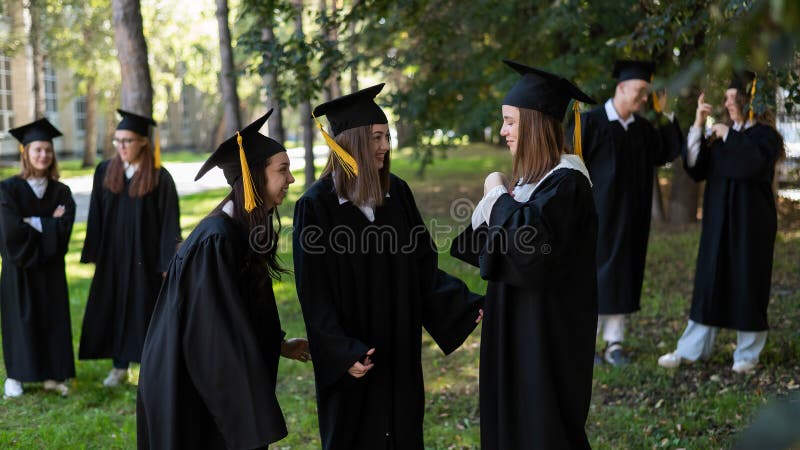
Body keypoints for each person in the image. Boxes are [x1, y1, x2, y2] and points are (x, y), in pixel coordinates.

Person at [293, 83, 483, 450]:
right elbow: (314, 295)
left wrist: (462, 304)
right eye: (376, 138)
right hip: (356, 358)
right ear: (350, 144)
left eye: (387, 137)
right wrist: (341, 353)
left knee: (402, 430)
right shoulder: (316, 207)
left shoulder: (397, 194)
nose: (385, 146)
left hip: (398, 349)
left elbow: (423, 266)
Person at [137, 110, 309, 449]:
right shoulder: (217, 240)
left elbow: (242, 311)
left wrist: (280, 345)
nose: (290, 179)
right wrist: (248, 412)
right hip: (189, 384)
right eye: (282, 169)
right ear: (254, 176)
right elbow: (212, 335)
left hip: (210, 378)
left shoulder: (242, 230)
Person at [452, 60, 599, 450]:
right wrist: (503, 195)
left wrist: (496, 191)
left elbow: (530, 248)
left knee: (542, 427)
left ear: (534, 125)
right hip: (516, 329)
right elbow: (483, 246)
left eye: (510, 122)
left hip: (547, 336)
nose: (503, 130)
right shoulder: (532, 184)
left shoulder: (568, 184)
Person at [658, 71, 783, 373]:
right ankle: (691, 349)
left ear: (750, 100)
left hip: (751, 225)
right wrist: (699, 124)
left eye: (732, 97)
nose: (727, 103)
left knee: (749, 283)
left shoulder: (766, 137)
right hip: (717, 223)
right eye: (725, 98)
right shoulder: (719, 135)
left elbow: (750, 165)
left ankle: (747, 355)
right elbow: (695, 167)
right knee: (709, 281)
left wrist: (730, 135)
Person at [568, 60, 684, 365]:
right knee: (593, 277)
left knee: (622, 276)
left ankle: (615, 343)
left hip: (632, 219)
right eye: (640, 91)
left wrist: (666, 114)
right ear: (621, 87)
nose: (645, 98)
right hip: (595, 218)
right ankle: (585, 342)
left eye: (647, 92)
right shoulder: (590, 123)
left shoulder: (643, 129)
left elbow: (667, 151)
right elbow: (569, 169)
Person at [78, 109, 181, 386]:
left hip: (145, 259)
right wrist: (94, 253)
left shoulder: (159, 177)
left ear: (143, 142)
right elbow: (96, 215)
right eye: (118, 141)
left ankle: (150, 367)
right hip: (113, 258)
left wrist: (166, 262)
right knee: (114, 308)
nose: (121, 147)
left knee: (145, 311)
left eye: (127, 141)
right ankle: (119, 367)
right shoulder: (104, 171)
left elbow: (169, 222)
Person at [0, 119, 76, 398]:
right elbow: (11, 231)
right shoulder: (8, 189)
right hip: (19, 268)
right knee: (20, 321)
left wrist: (30, 222)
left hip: (51, 270)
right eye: (37, 150)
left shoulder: (61, 191)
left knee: (52, 320)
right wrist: (48, 223)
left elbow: (64, 229)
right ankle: (16, 376)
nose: (44, 155)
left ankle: (52, 376)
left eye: (48, 150)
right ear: (25, 153)